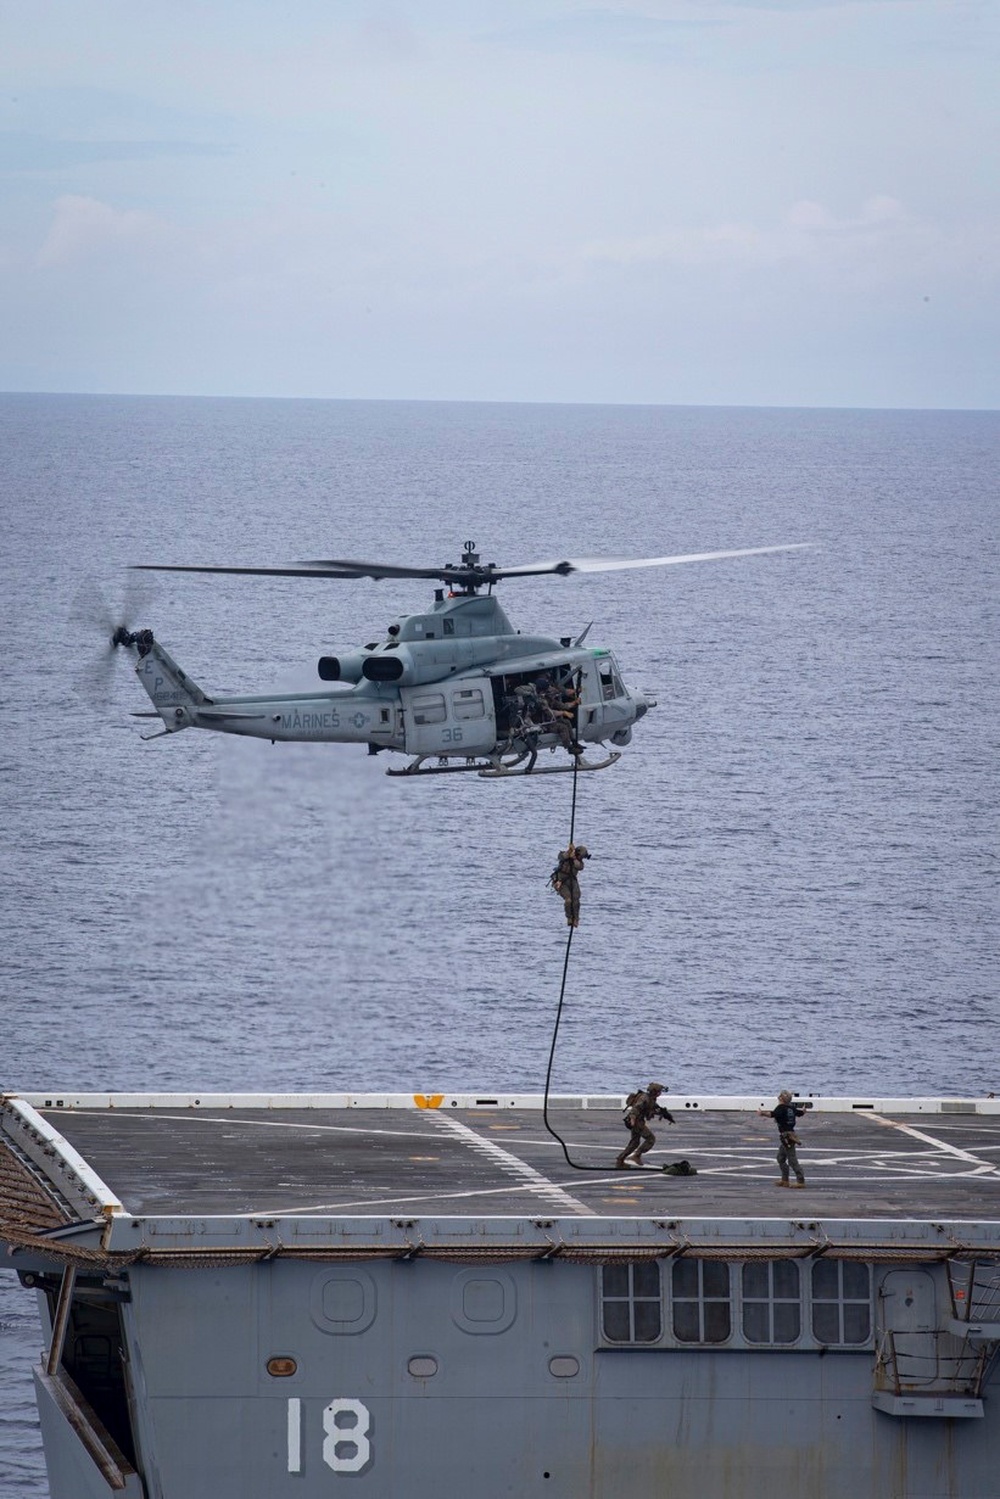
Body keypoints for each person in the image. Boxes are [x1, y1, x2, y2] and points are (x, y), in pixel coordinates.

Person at [616, 1082, 675, 1168]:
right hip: (636, 1121)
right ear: (654, 1092)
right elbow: (636, 1108)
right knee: (651, 1139)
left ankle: (620, 1160)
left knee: (634, 1143)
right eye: (659, 1091)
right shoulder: (645, 1098)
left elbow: (655, 1108)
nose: (660, 1093)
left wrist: (665, 1115)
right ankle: (637, 1155)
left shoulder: (651, 1099)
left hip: (638, 1121)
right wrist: (633, 1119)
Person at [759, 1089, 807, 1187]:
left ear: (781, 1098)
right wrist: (803, 1111)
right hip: (788, 1136)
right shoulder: (791, 1108)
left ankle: (800, 1181)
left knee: (792, 1160)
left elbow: (772, 1114)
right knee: (780, 1158)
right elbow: (800, 1113)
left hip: (787, 1137)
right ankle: (785, 1180)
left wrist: (762, 1113)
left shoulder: (780, 1108)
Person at [551, 843, 589, 927]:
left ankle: (576, 918)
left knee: (576, 899)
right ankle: (569, 917)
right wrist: (569, 852)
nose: (581, 859)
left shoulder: (579, 863)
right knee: (568, 900)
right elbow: (561, 856)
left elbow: (579, 866)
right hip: (560, 881)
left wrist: (574, 858)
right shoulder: (565, 856)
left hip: (572, 880)